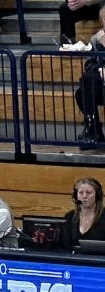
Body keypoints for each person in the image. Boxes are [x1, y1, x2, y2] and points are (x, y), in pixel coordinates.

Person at [74, 12, 105, 146]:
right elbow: (89, 63)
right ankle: (95, 130)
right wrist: (99, 69)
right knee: (81, 92)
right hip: (100, 85)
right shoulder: (96, 38)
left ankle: (92, 130)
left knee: (87, 82)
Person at [65, 176, 105, 248]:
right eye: (80, 192)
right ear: (75, 196)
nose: (84, 196)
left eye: (89, 193)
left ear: (97, 195)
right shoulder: (70, 216)